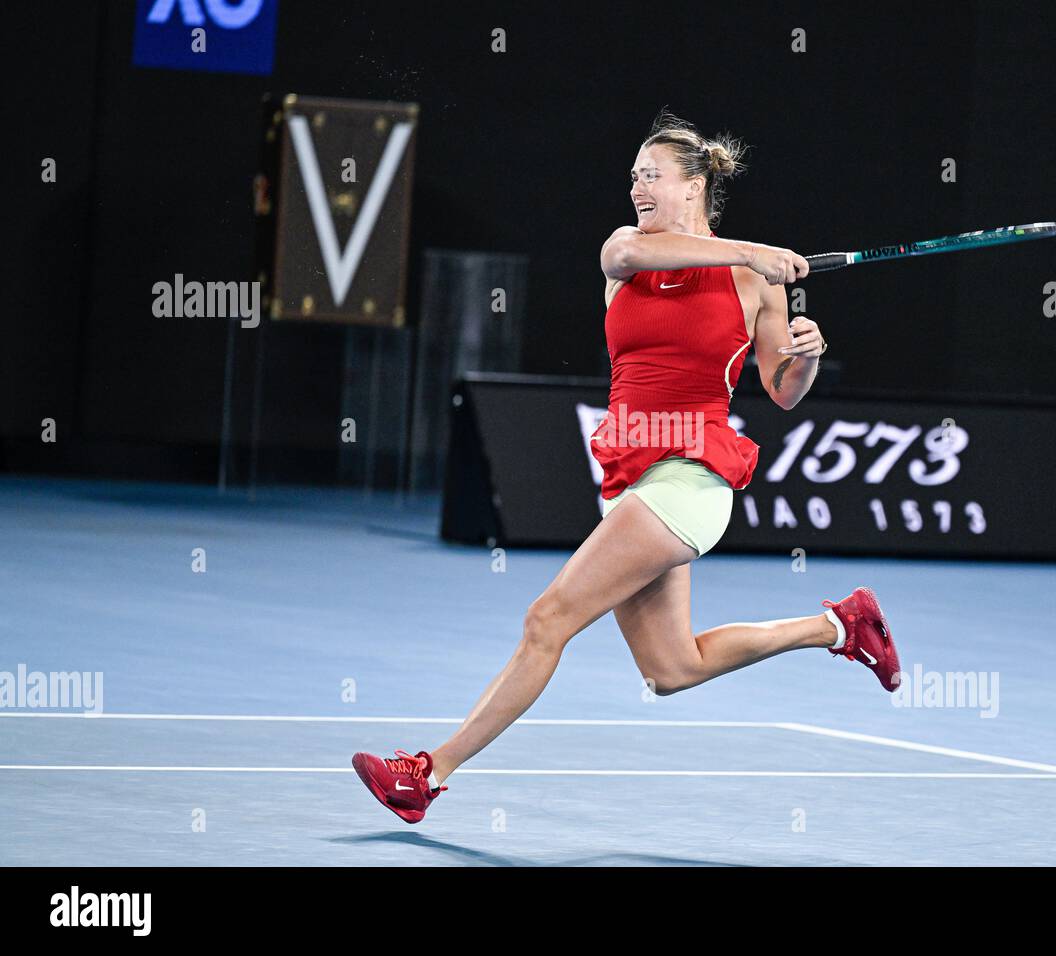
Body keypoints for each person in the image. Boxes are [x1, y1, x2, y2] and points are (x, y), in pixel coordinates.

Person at [353, 111, 900, 823]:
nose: (638, 187)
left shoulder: (754, 285)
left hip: (690, 473)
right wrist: (756, 248)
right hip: (631, 475)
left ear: (694, 186)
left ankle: (426, 773)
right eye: (634, 176)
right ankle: (839, 627)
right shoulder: (629, 252)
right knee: (672, 669)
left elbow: (782, 392)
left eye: (653, 176)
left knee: (548, 617)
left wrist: (809, 351)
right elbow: (632, 258)